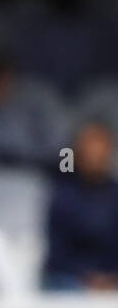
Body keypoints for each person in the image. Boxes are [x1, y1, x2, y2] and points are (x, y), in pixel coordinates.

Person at [43, 120, 118, 291]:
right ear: (78, 152)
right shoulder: (62, 195)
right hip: (70, 279)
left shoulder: (115, 194)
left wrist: (111, 278)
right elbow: (57, 254)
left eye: (100, 147)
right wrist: (89, 279)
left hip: (112, 279)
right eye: (89, 148)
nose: (95, 154)